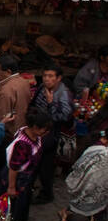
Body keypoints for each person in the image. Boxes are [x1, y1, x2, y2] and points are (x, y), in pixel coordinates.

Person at [0, 54, 32, 202]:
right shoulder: (23, 82)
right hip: (19, 131)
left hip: (7, 135)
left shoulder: (6, 91)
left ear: (8, 71)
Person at [30, 62, 74, 205]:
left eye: (50, 76)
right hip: (38, 130)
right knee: (36, 162)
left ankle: (46, 194)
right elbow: (34, 104)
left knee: (45, 167)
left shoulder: (63, 94)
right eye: (45, 75)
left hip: (50, 135)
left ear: (58, 78)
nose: (46, 79)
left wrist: (51, 103)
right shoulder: (42, 87)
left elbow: (64, 117)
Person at [6, 107, 53, 221]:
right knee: (14, 206)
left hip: (26, 178)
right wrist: (11, 187)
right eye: (45, 130)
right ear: (35, 127)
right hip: (18, 179)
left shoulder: (32, 134)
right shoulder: (22, 144)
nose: (46, 133)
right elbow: (14, 167)